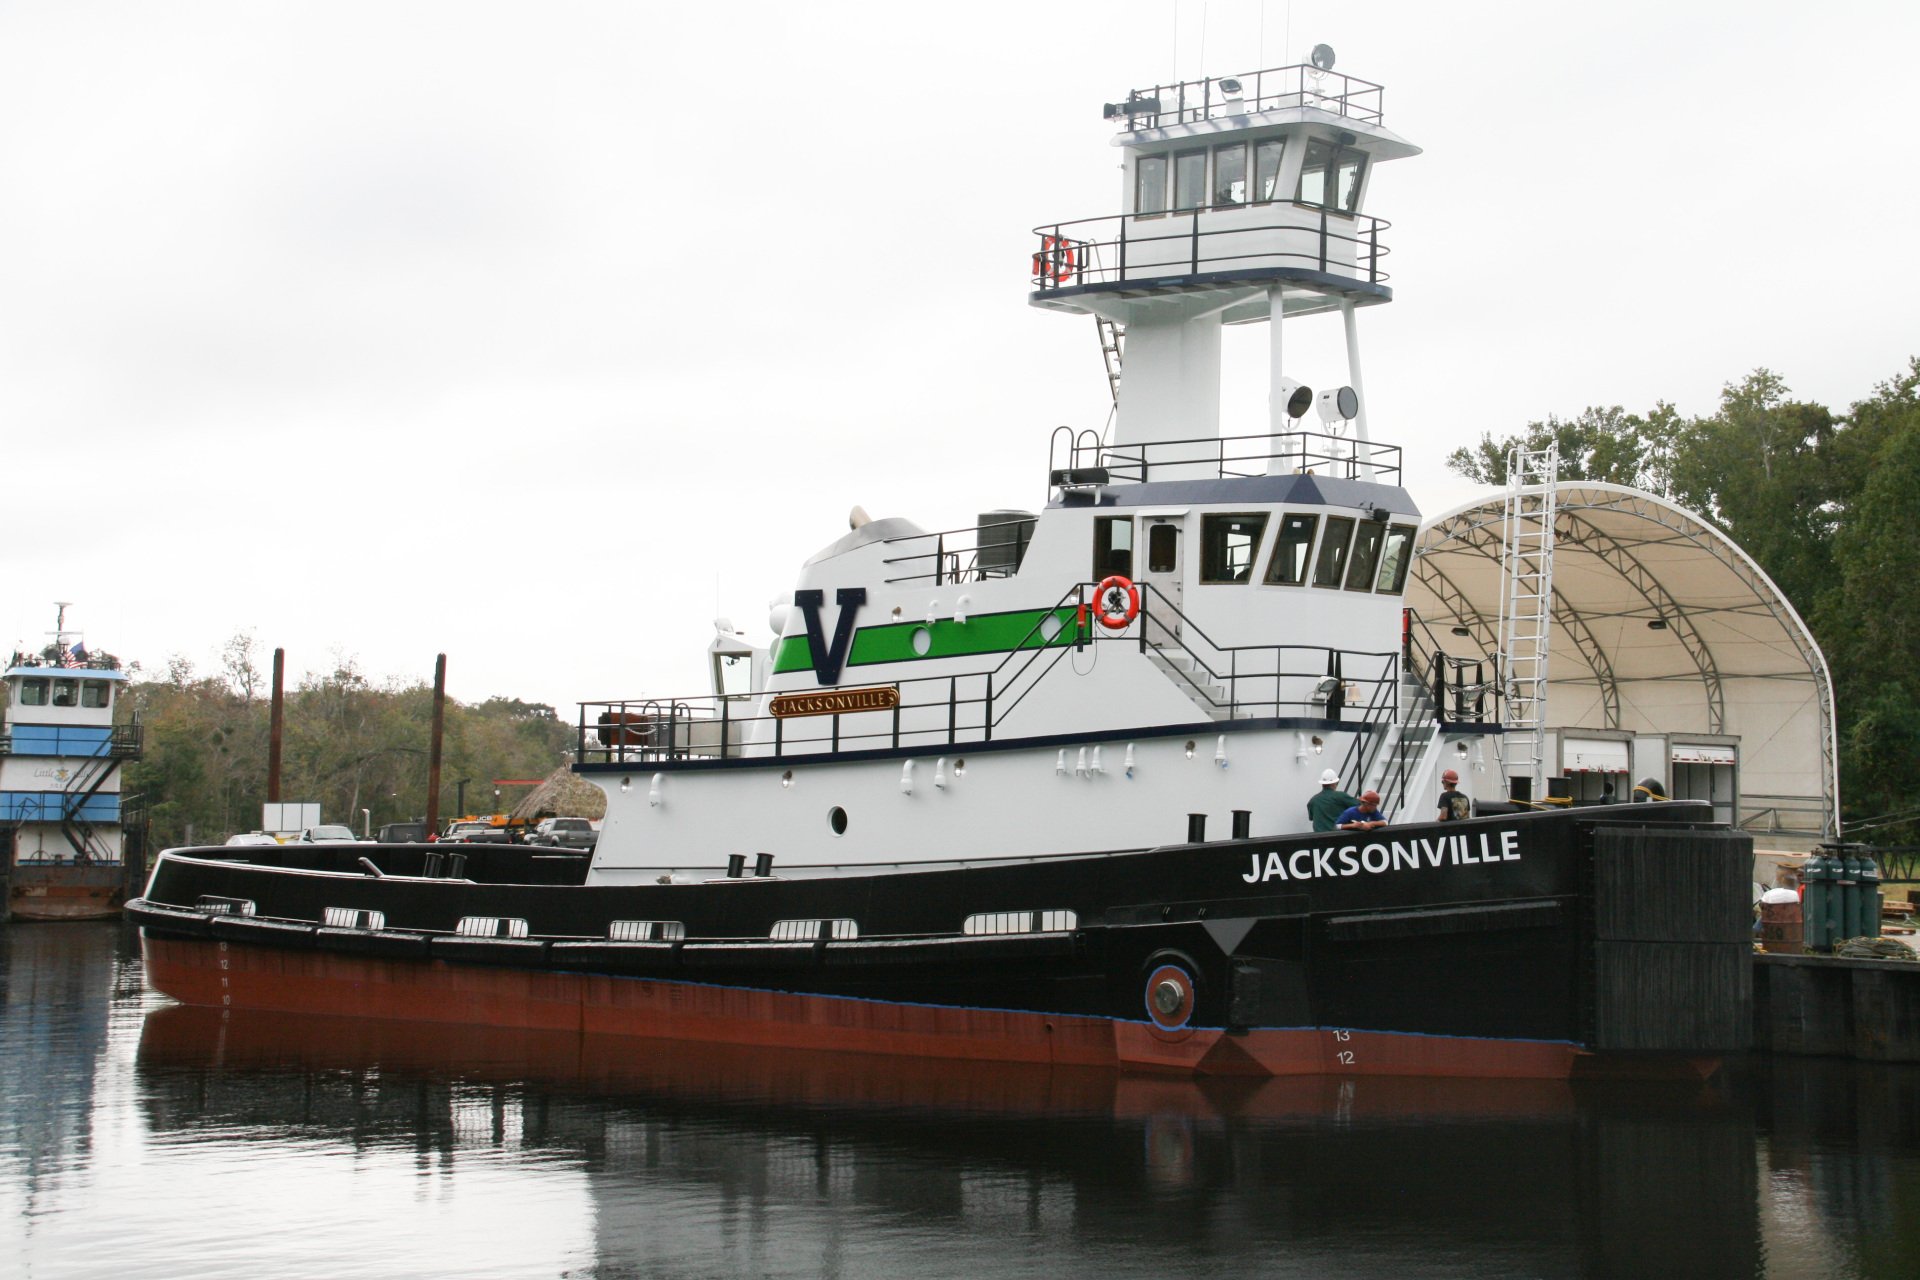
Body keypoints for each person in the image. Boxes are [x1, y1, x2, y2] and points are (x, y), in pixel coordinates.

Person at [1306, 768, 1356, 832]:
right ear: (1335, 783)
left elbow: (1311, 818)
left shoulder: (1313, 800)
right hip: (1338, 838)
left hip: (1319, 839)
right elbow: (1360, 807)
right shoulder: (1341, 796)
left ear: (1322, 784)